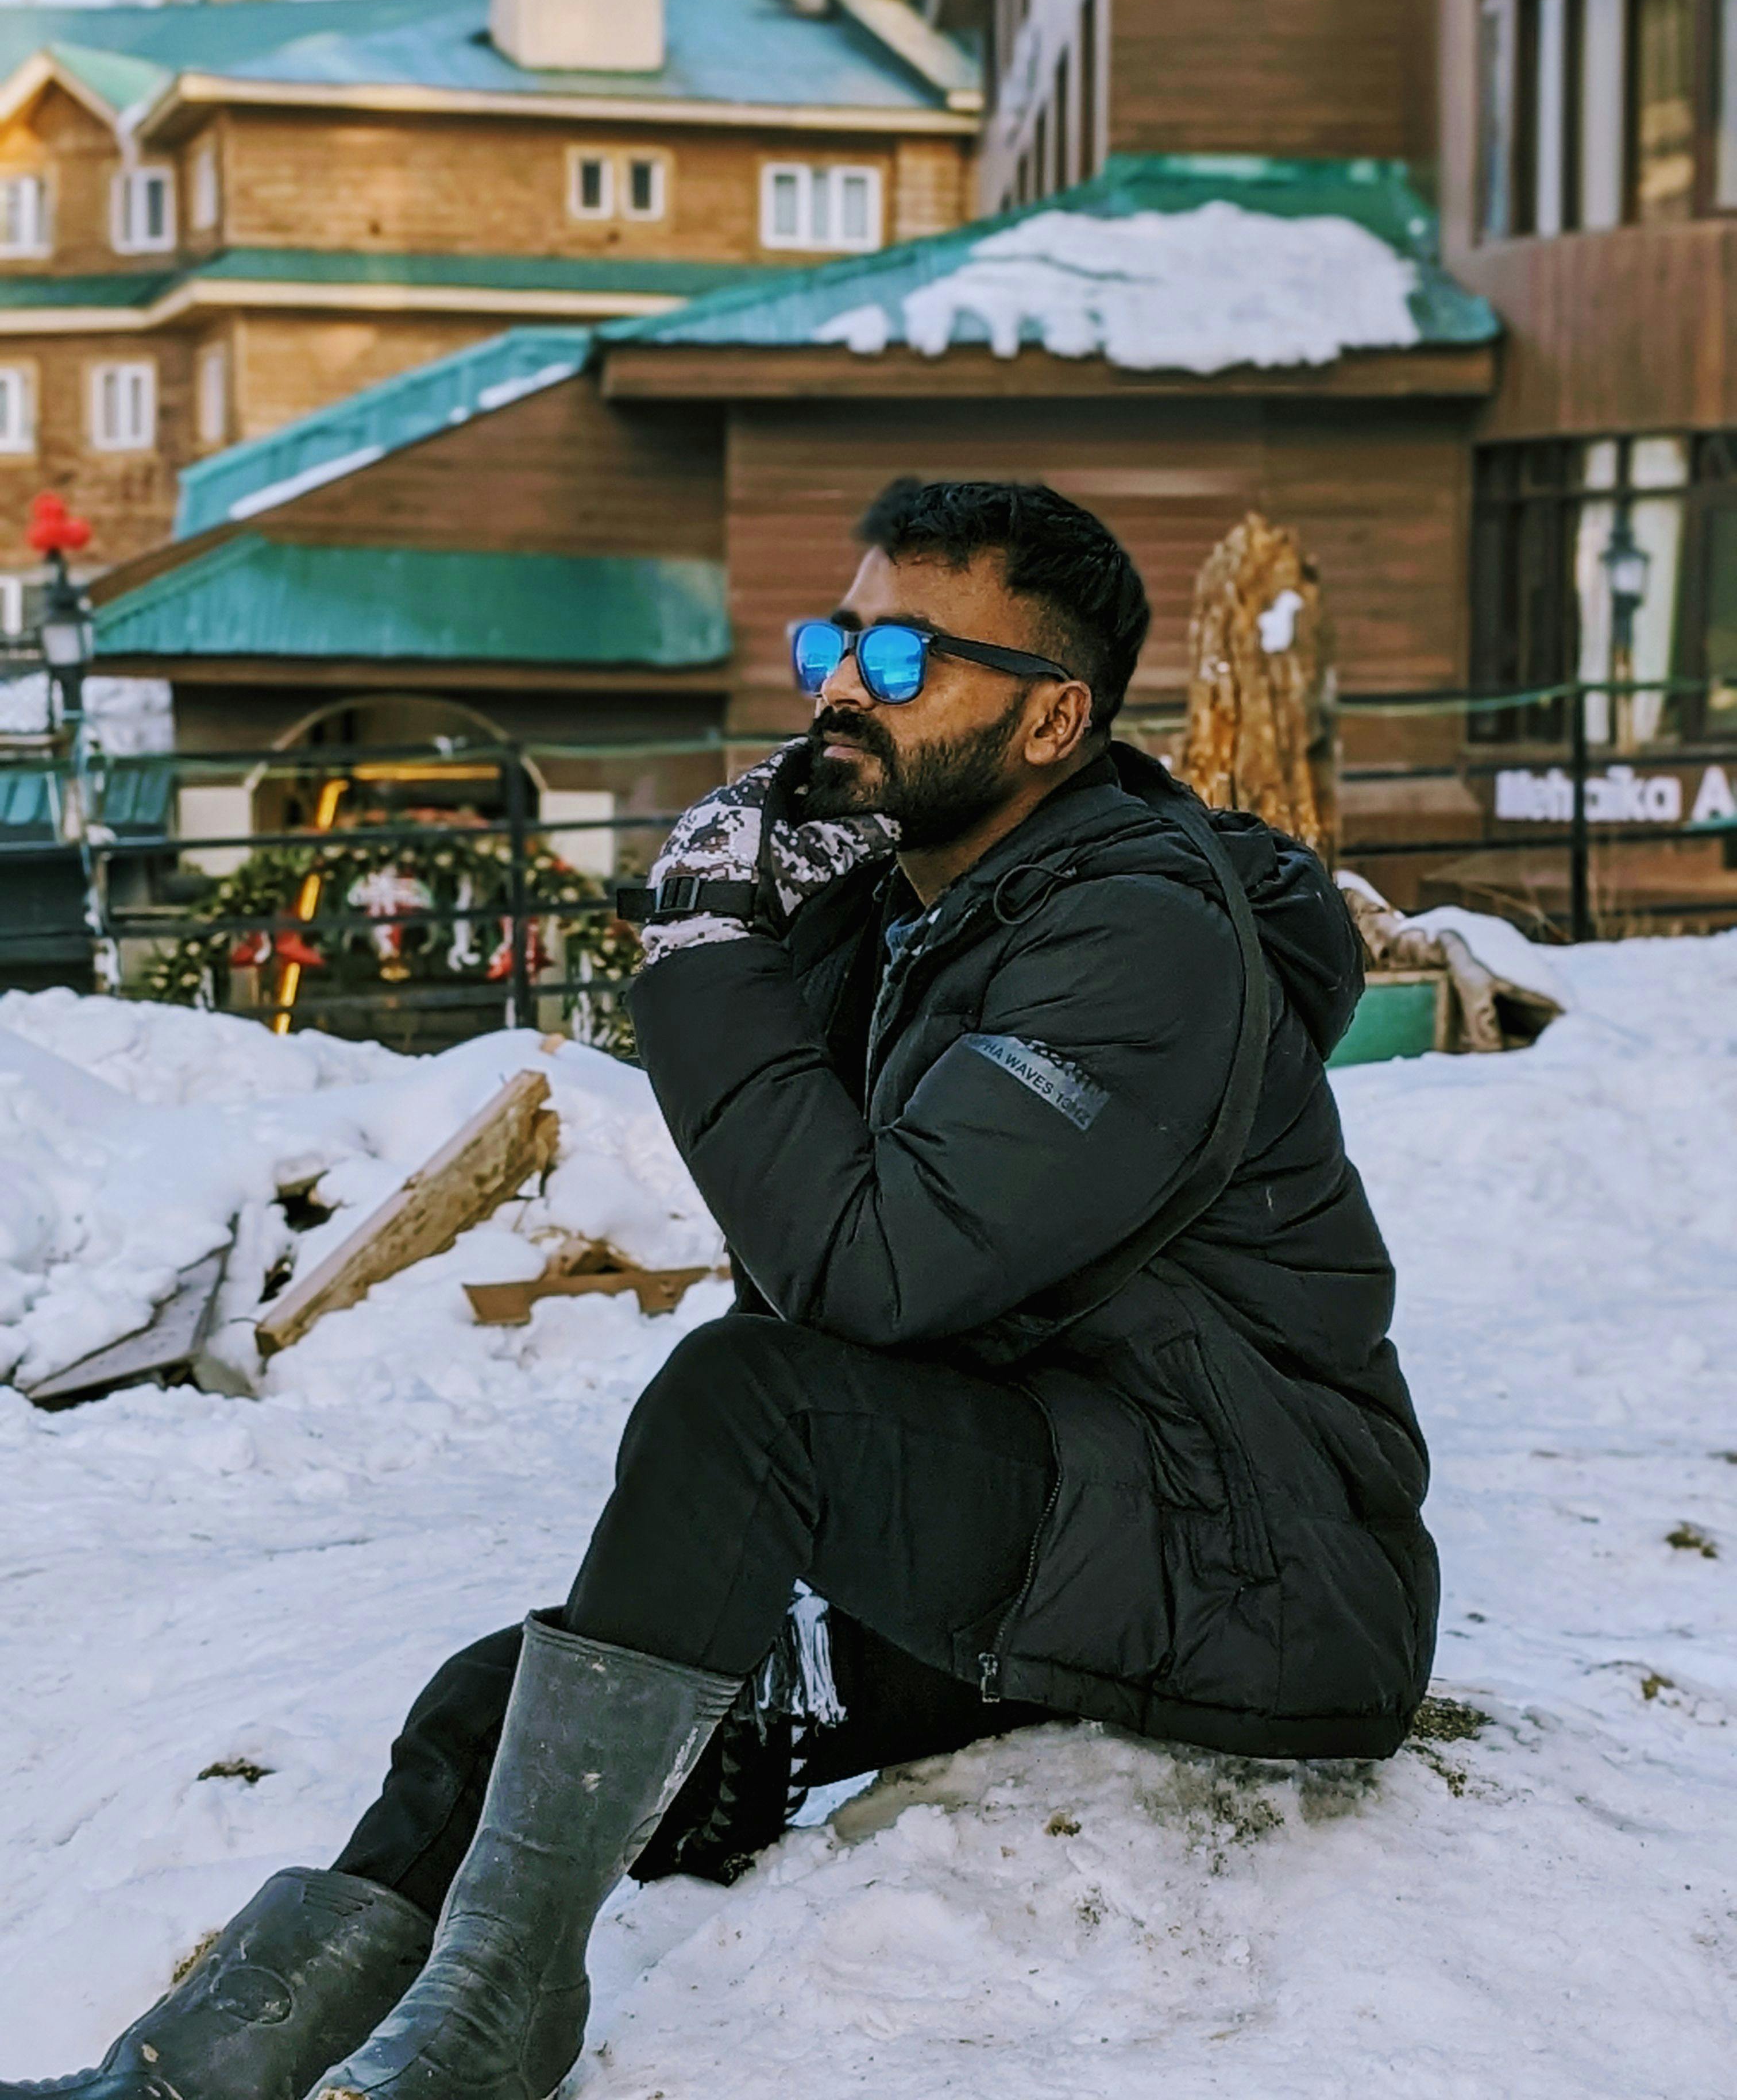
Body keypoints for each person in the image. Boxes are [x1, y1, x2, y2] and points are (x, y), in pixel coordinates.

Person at [13, 481, 1437, 2100]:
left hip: (1256, 1567)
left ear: (1054, 719)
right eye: (833, 638)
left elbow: (867, 1273)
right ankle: (191, 2073)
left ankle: (491, 2024)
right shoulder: (928, 915)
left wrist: (709, 962)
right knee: (496, 1705)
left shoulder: (1140, 948)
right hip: (1078, 1508)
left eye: (905, 657)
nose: (840, 686)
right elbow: (820, 1275)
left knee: (741, 1407)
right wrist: (808, 932)